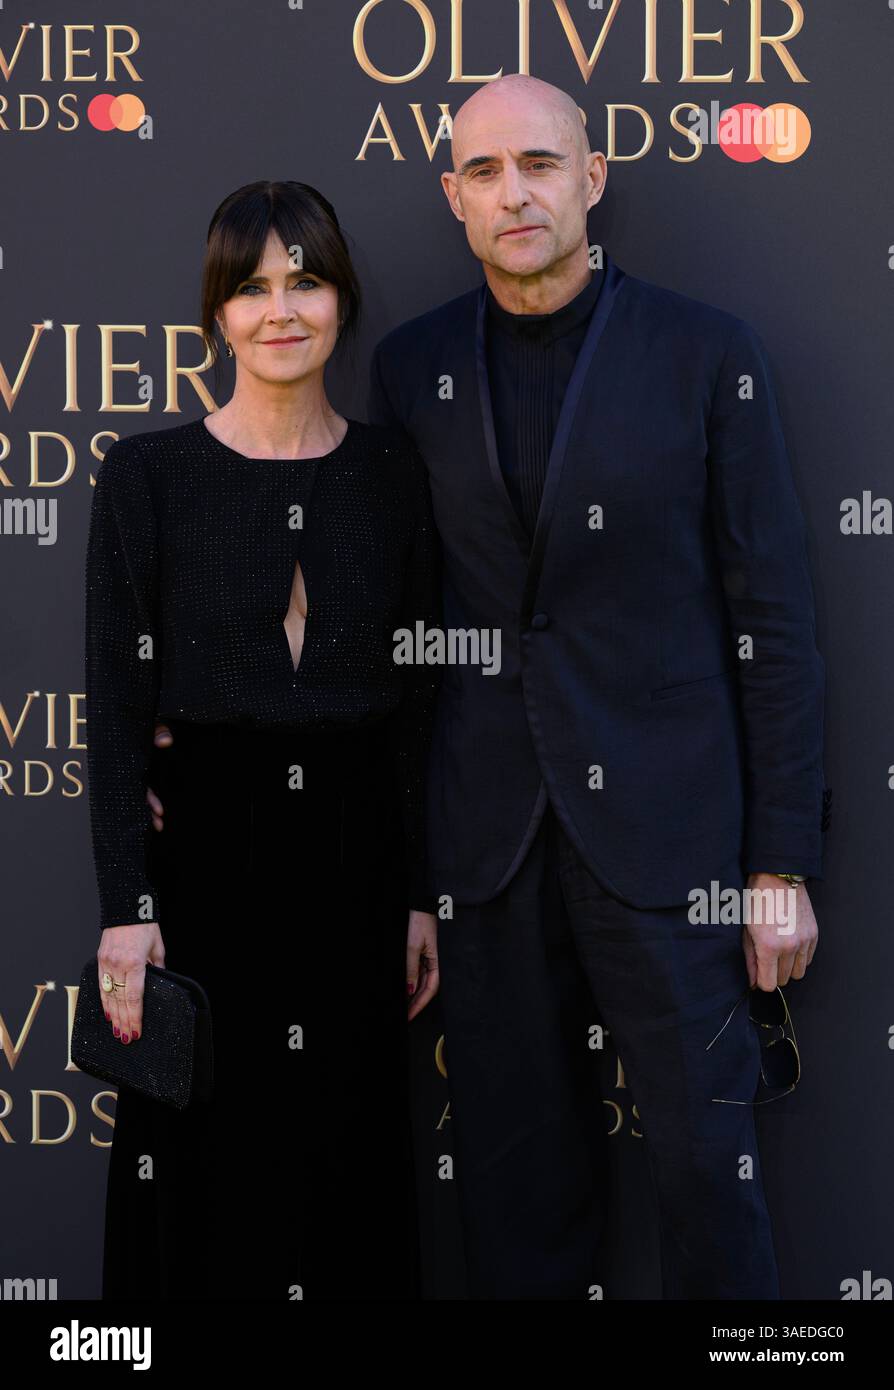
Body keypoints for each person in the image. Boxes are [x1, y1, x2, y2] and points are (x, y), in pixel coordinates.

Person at [365, 75, 830, 1299]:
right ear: (453, 197)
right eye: (483, 171)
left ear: (592, 176)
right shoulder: (411, 369)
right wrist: (412, 878)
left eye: (538, 163)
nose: (513, 193)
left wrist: (780, 863)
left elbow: (774, 624)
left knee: (709, 1177)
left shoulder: (707, 353)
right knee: (516, 1201)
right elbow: (399, 631)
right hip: (488, 850)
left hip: (674, 849)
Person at [84, 179, 441, 1301]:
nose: (280, 311)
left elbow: (418, 706)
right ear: (217, 314)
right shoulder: (148, 475)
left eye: (306, 282)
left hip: (354, 859)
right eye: (251, 289)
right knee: (201, 1154)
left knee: (344, 1148)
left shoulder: (393, 474)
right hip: (204, 857)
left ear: (343, 300)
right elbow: (113, 708)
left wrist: (419, 894)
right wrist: (128, 909)